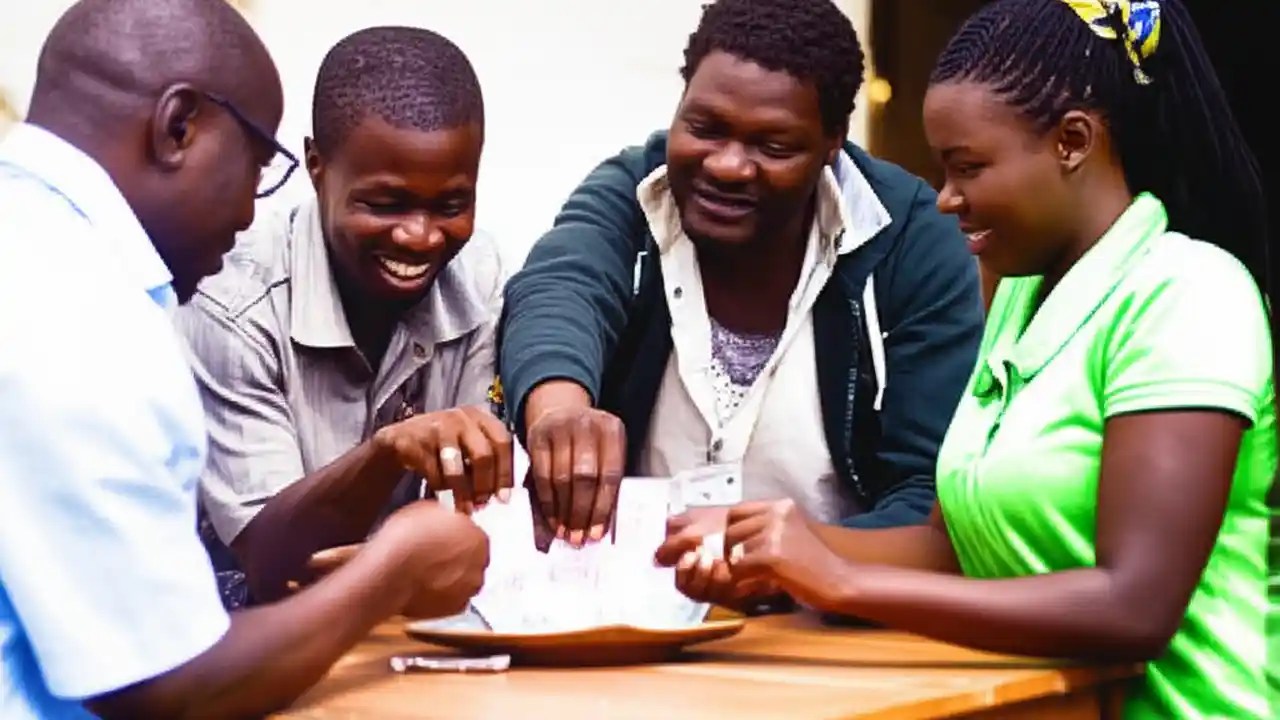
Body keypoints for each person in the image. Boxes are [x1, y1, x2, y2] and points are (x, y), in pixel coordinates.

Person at [658, 0, 1276, 717]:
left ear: (1072, 141)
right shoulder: (1017, 299)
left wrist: (837, 579)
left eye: (967, 168)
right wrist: (769, 547)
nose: (947, 200)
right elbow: (953, 550)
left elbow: (1134, 604)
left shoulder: (1186, 295)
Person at [0, 2, 487, 718]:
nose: (251, 213)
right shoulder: (77, 310)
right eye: (259, 167)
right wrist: (396, 570)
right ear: (178, 128)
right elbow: (170, 687)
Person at [498, 0, 984, 587]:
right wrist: (561, 412)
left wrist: (780, 558)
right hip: (631, 620)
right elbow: (562, 284)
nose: (728, 165)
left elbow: (926, 498)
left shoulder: (911, 240)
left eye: (773, 147)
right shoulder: (633, 193)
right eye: (704, 128)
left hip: (832, 630)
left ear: (834, 141)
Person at [177, 25, 511, 609]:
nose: (420, 236)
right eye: (383, 205)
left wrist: (398, 555)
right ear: (315, 165)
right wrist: (388, 455)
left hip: (401, 624)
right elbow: (268, 561)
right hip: (233, 625)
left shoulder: (476, 276)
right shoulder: (231, 301)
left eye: (451, 205)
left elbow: (470, 522)